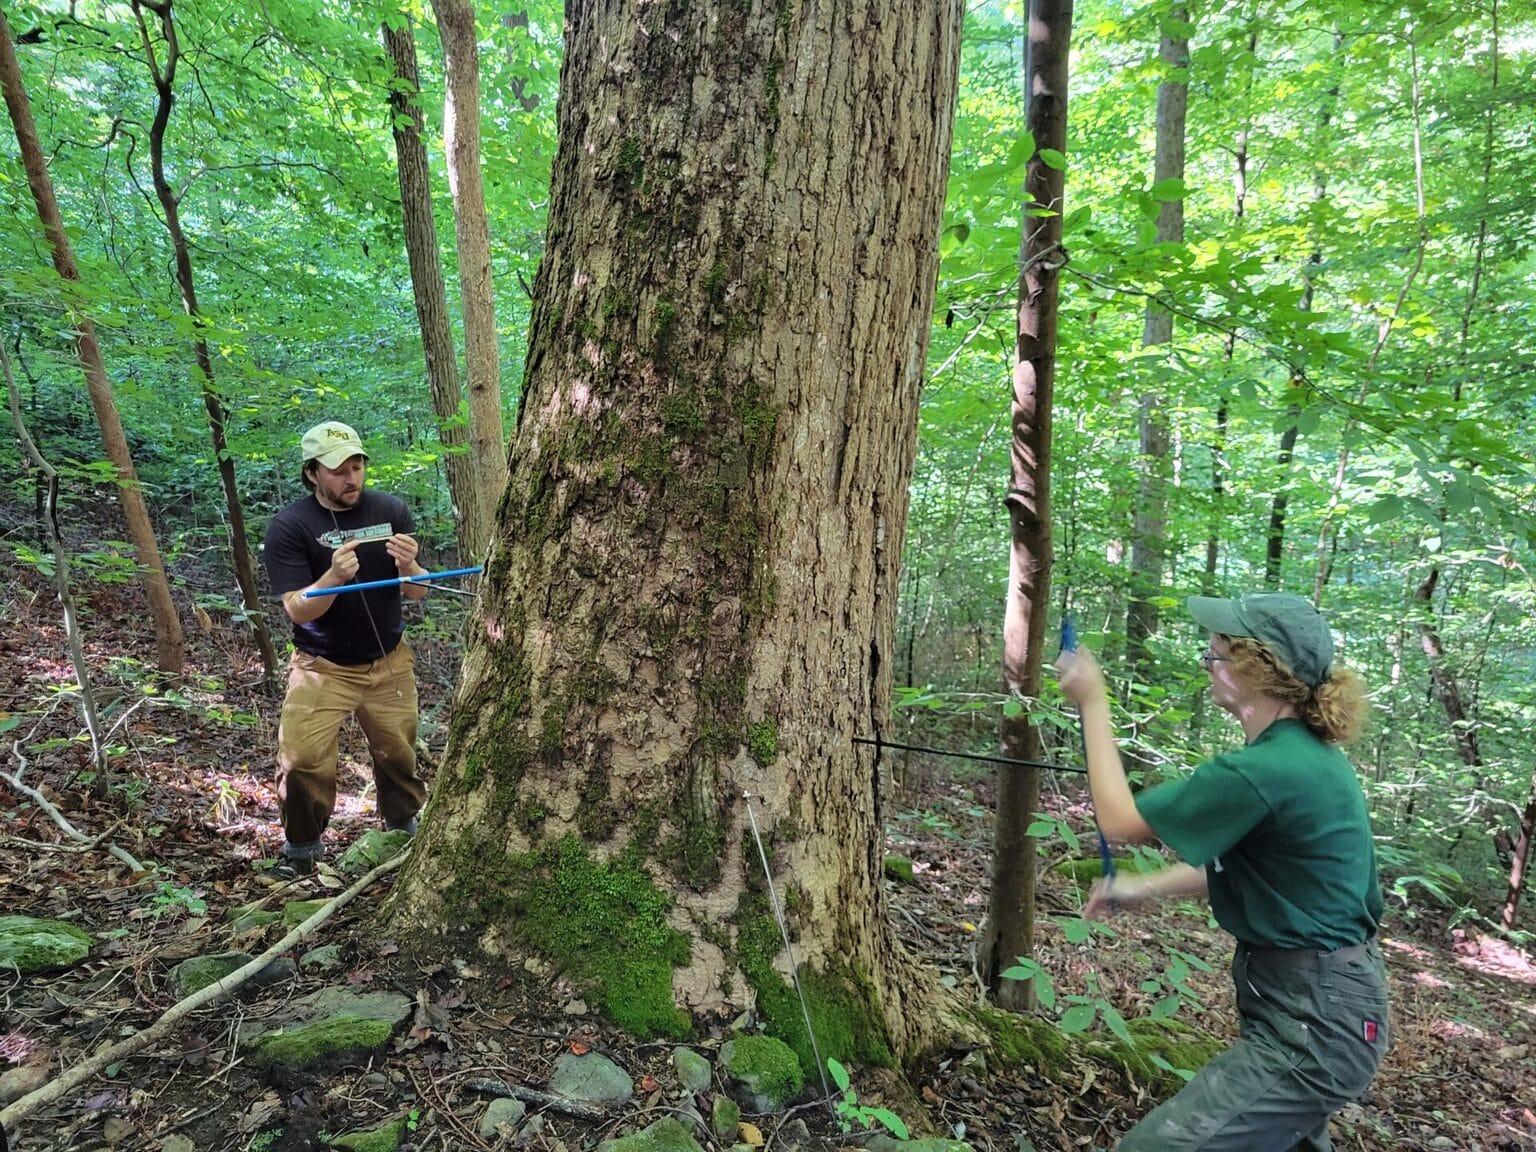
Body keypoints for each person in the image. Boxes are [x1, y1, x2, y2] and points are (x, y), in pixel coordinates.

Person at [1056, 592, 1388, 1152]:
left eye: (1216, 655)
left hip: (1314, 1026)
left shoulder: (1265, 769)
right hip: (1318, 1010)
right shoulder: (1305, 758)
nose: (1208, 665)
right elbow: (1269, 875)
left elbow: (1119, 821)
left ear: (1257, 670)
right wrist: (1144, 888)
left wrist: (1094, 702)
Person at [261, 421, 431, 877]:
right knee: (301, 761)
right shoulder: (290, 526)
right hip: (322, 666)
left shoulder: (391, 510)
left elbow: (418, 592)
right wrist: (333, 578)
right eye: (338, 470)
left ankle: (401, 828)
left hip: (388, 660)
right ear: (312, 473)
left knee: (398, 753)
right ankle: (302, 850)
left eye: (356, 466)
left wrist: (411, 565)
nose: (351, 478)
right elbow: (298, 609)